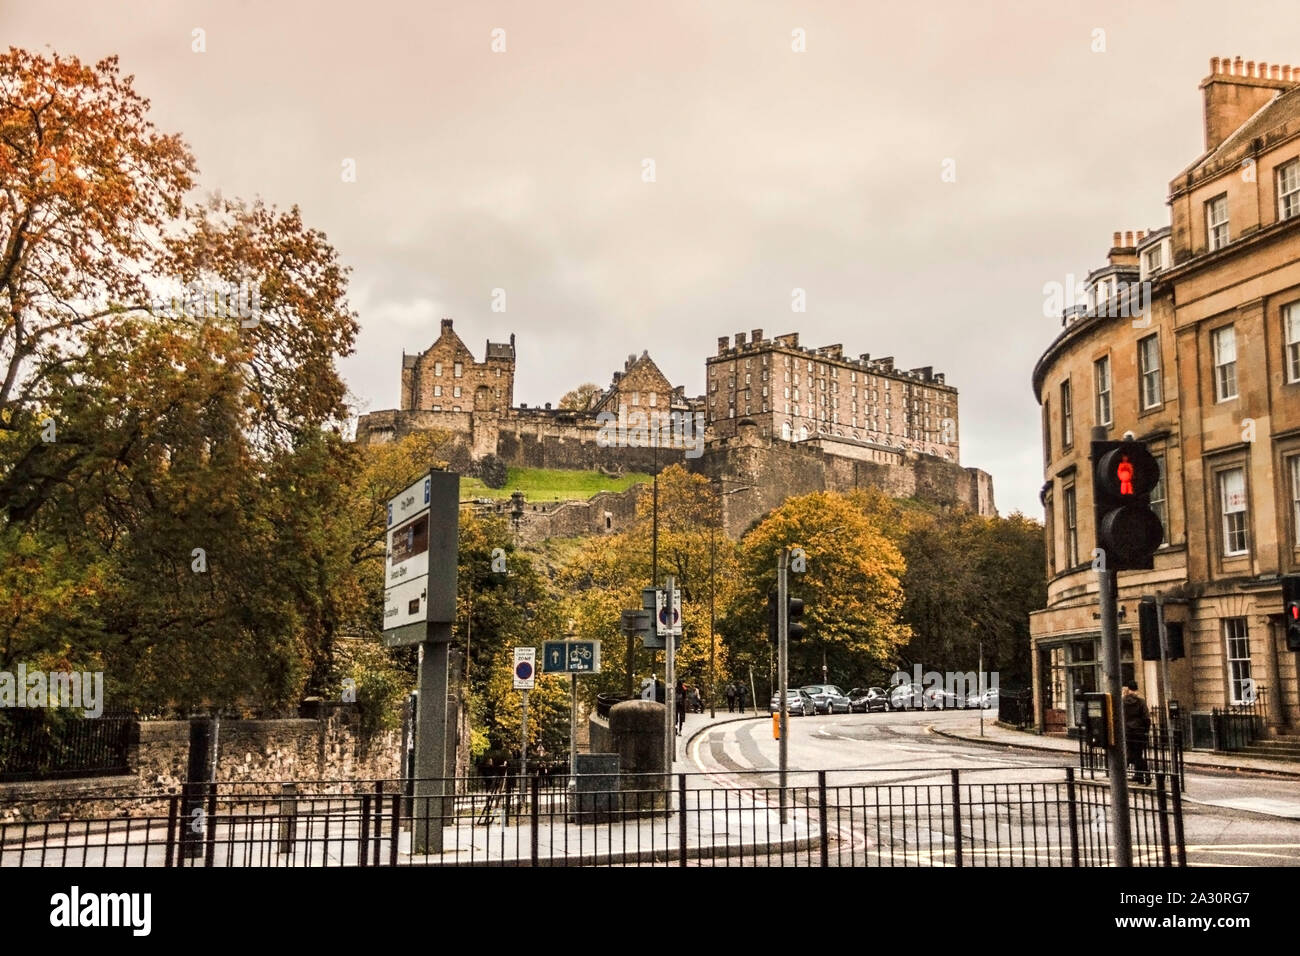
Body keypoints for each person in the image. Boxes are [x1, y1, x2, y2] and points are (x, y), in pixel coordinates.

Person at [1123, 680, 1151, 785]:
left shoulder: (1123, 701)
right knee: (1138, 753)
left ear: (1128, 689)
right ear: (1136, 689)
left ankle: (1139, 775)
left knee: (1132, 754)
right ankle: (1142, 775)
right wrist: (1146, 731)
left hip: (1128, 731)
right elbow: (1146, 718)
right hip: (1139, 731)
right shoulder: (1141, 702)